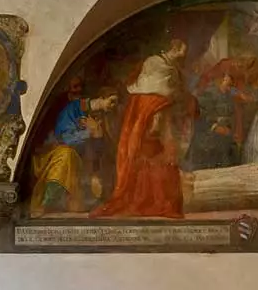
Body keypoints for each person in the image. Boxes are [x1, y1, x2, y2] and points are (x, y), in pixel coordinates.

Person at [93, 38, 189, 218]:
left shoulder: (162, 70)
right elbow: (158, 127)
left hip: (144, 111)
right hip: (150, 111)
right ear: (174, 48)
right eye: (183, 50)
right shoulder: (156, 71)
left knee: (149, 153)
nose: (185, 55)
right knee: (161, 161)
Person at [34, 77, 116, 211]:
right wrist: (89, 132)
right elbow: (63, 138)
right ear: (102, 97)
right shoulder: (73, 109)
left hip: (88, 161)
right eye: (111, 101)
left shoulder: (104, 117)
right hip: (65, 153)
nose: (113, 106)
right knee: (66, 155)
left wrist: (98, 135)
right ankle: (48, 203)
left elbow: (102, 149)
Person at [186, 73, 244, 172]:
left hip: (226, 133)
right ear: (219, 81)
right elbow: (199, 115)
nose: (229, 87)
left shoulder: (228, 96)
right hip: (208, 133)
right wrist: (215, 127)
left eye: (230, 85)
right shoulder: (209, 93)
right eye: (226, 83)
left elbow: (232, 115)